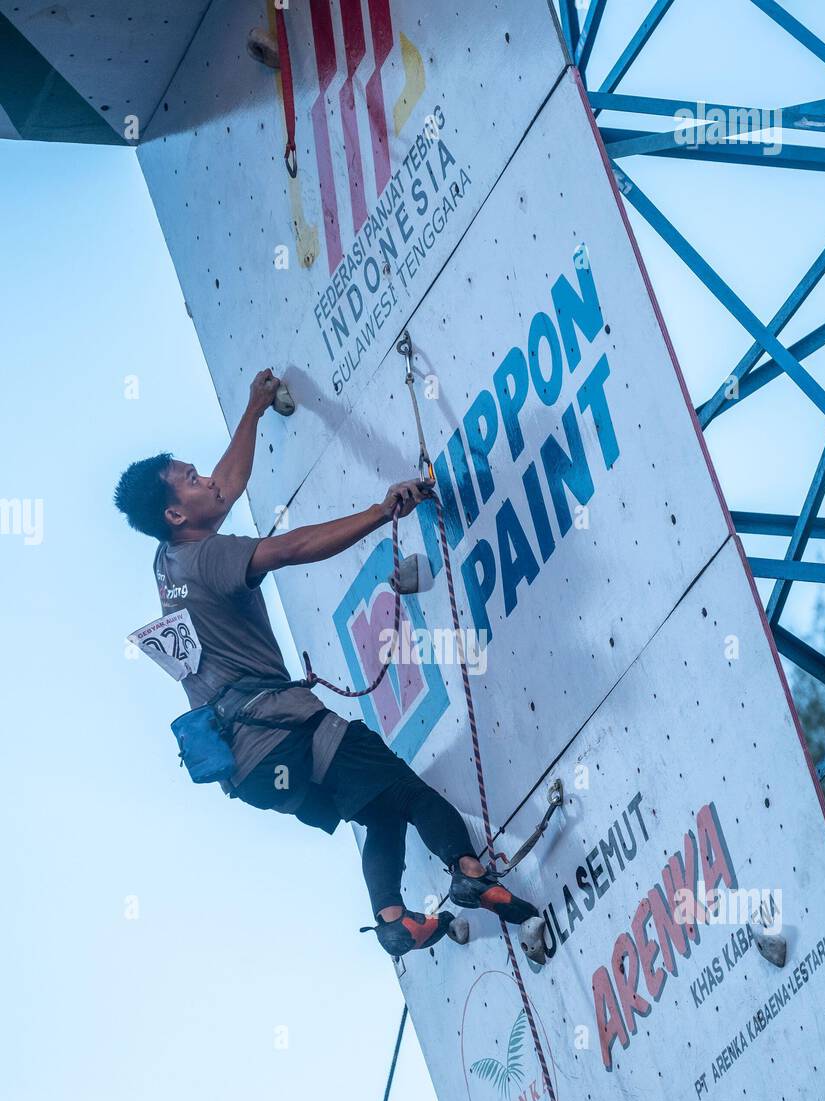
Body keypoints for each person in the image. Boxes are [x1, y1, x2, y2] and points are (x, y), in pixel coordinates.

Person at [114, 368, 545, 962]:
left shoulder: (170, 562)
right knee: (409, 792)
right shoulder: (209, 558)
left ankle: (393, 920)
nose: (208, 480)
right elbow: (288, 549)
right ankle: (468, 871)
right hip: (282, 733)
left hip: (253, 768)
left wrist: (255, 409)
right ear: (174, 514)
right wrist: (379, 511)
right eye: (191, 480)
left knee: (377, 806)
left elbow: (226, 486)